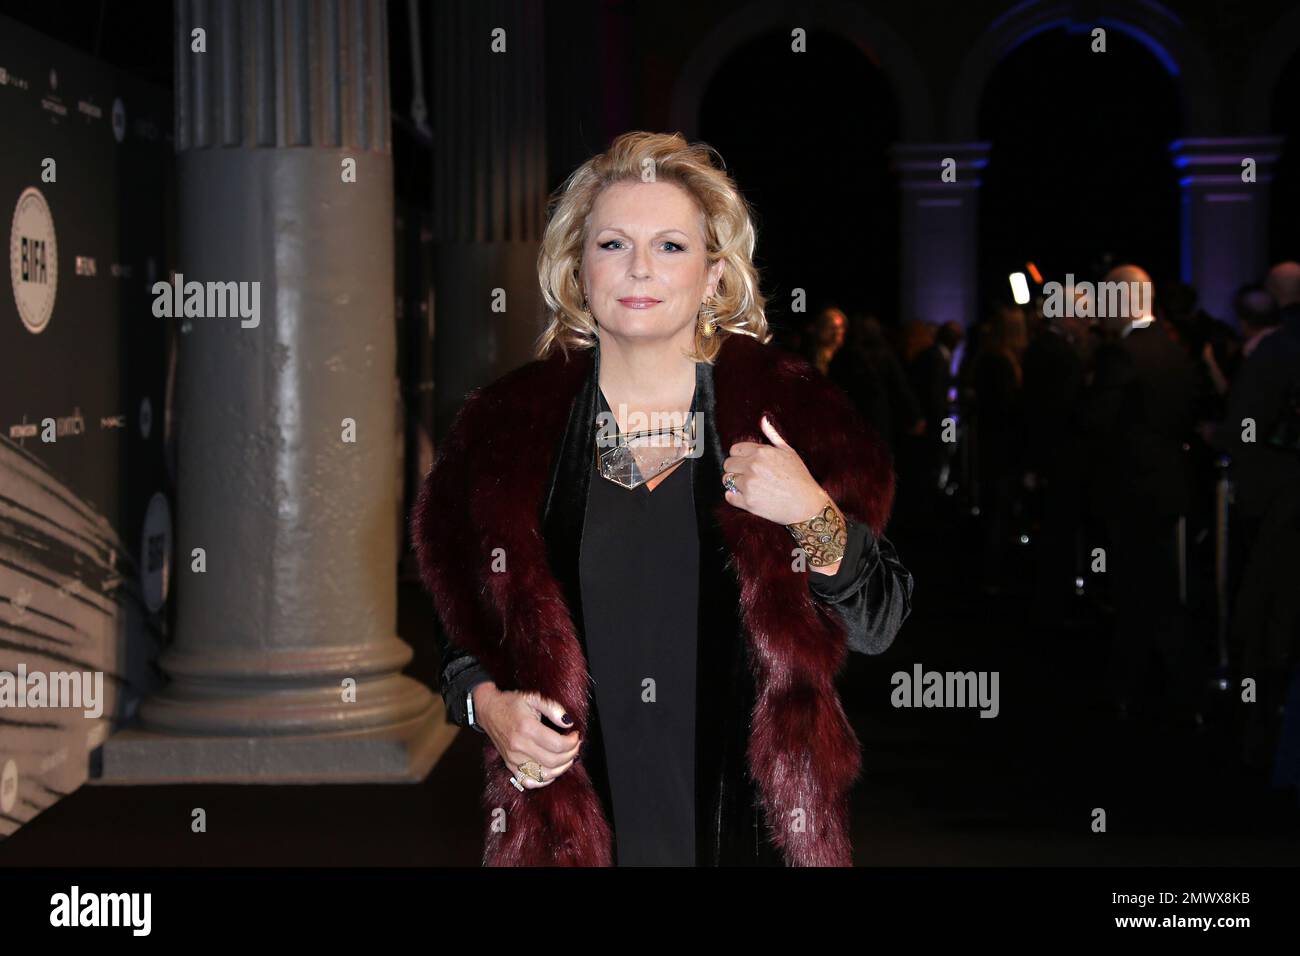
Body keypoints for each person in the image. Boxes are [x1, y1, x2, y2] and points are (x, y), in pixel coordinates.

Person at [412, 131, 914, 867]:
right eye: (613, 243)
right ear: (578, 270)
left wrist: (814, 514)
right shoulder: (506, 434)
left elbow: (883, 619)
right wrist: (486, 706)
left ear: (715, 275)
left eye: (672, 246)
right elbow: (458, 621)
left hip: (750, 829)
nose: (640, 267)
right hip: (570, 828)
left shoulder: (796, 419)